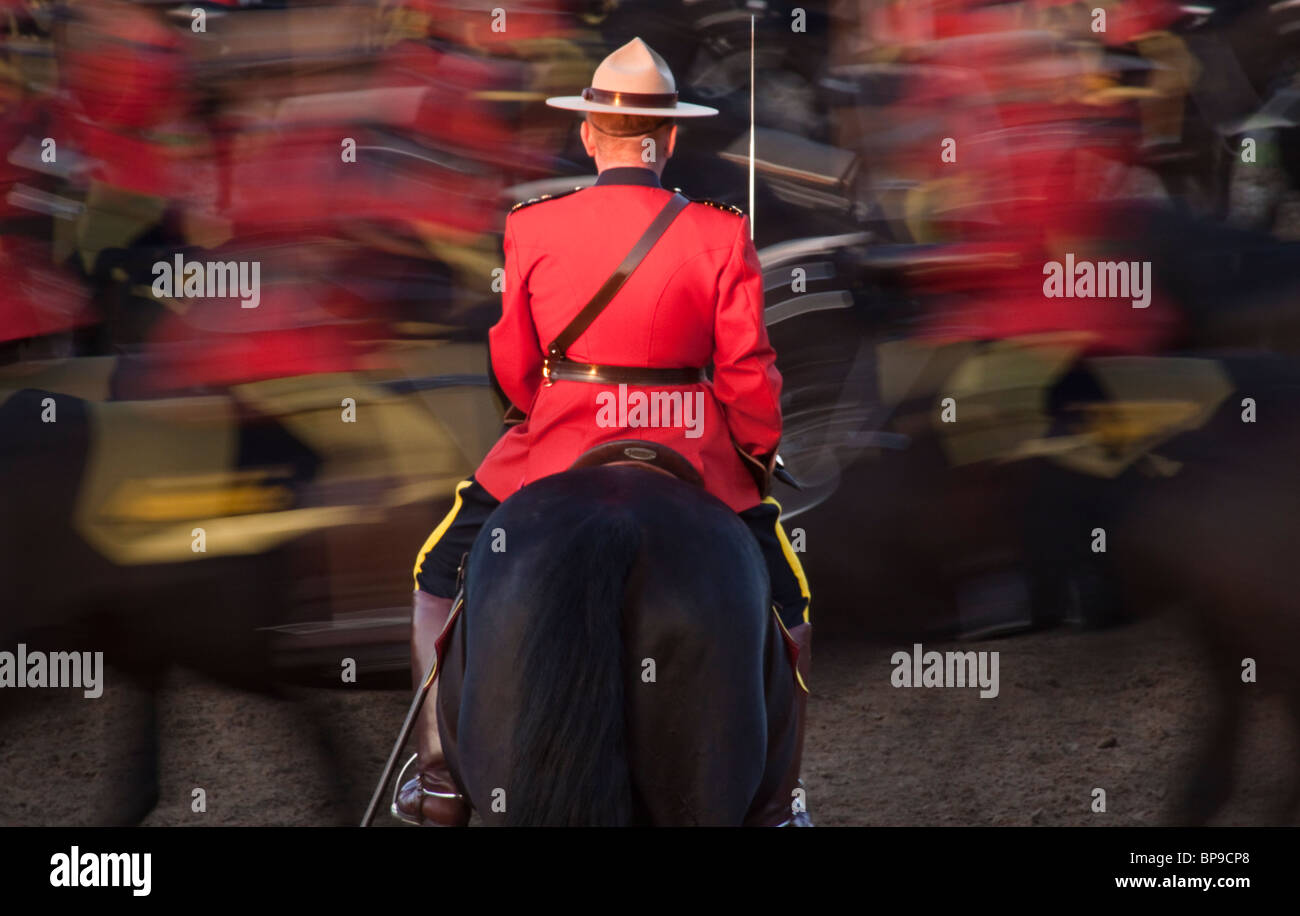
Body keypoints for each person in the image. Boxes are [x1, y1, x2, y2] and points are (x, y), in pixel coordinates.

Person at [397, 37, 811, 827]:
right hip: (694, 450)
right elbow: (749, 375)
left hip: (557, 444)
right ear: (672, 138)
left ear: (588, 133)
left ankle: (442, 772)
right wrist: (750, 456)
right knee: (792, 607)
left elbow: (514, 364)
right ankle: (780, 801)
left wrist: (546, 416)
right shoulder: (722, 234)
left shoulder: (533, 226)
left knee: (434, 576)